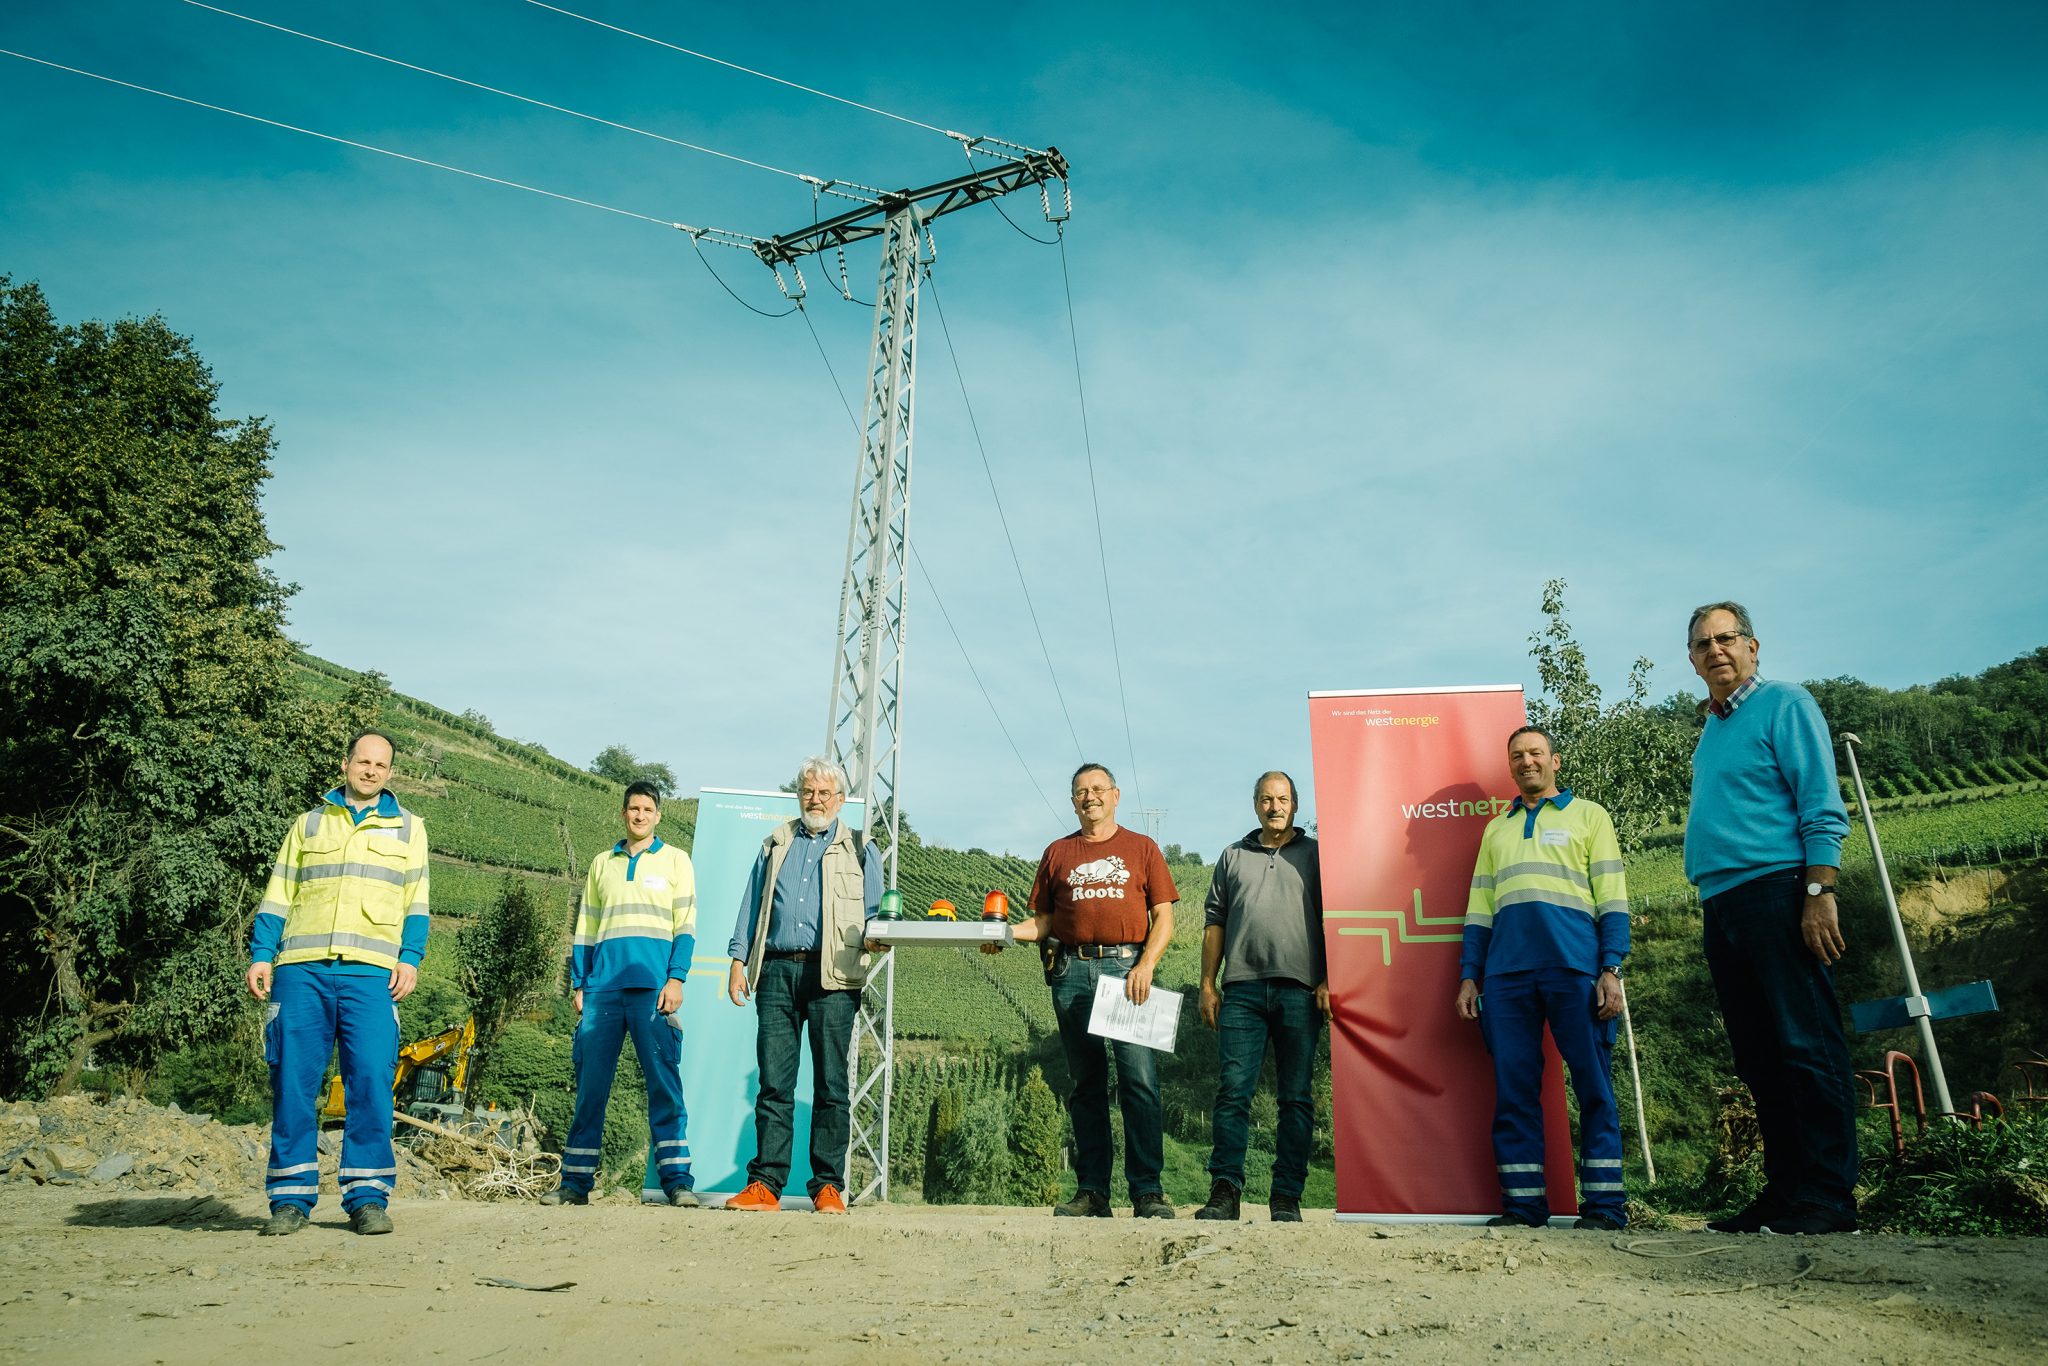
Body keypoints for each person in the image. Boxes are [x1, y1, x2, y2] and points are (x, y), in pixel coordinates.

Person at [1682, 601, 1857, 1235]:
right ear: (1693, 661)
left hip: (1779, 891)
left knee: (1806, 1042)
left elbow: (1820, 801)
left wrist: (1818, 889)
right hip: (1723, 903)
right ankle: (1786, 1192)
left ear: (1753, 647)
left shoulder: (1786, 703)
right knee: (1759, 1055)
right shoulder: (1713, 730)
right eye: (1702, 644)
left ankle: (1829, 1195)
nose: (1715, 650)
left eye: (1726, 638)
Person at [246, 730, 429, 1237]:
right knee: (293, 1083)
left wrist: (410, 958)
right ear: (345, 764)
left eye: (380, 765)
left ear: (390, 773)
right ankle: (290, 1200)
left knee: (370, 1081)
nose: (371, 771)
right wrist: (262, 954)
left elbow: (416, 899)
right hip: (301, 969)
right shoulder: (308, 823)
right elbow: (279, 891)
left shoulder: (409, 828)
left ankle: (367, 1198)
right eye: (363, 762)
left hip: (372, 973)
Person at [1456, 727, 1631, 1230]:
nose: (1527, 761)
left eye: (1536, 752)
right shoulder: (1497, 830)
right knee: (1514, 1091)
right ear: (1510, 765)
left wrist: (1611, 968)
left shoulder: (1590, 816)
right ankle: (1524, 1206)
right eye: (1517, 755)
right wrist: (1470, 976)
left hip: (1577, 969)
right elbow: (1479, 909)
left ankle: (1605, 1207)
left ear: (1555, 760)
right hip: (1506, 977)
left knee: (1594, 1087)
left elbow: (1612, 897)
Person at [1000, 763, 1179, 1218]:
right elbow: (1042, 922)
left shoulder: (1142, 848)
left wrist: (1146, 965)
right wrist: (1002, 934)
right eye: (1081, 791)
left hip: (1127, 971)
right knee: (1086, 1085)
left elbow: (1164, 916)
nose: (1090, 796)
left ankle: (1148, 1192)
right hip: (1072, 973)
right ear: (1073, 801)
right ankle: (1093, 1192)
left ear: (1115, 796)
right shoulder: (1058, 852)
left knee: (1140, 1082)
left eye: (1098, 789)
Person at [724, 757, 884, 1214]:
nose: (815, 800)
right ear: (799, 795)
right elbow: (752, 903)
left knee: (831, 1085)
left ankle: (828, 1187)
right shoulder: (776, 843)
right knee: (774, 1084)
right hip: (776, 972)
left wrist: (879, 937)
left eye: (824, 793)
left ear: (840, 799)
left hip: (834, 976)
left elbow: (876, 914)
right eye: (808, 791)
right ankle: (765, 1185)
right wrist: (738, 960)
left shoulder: (861, 847)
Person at [542, 781, 699, 1208]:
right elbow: (586, 928)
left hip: (653, 990)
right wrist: (580, 983)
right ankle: (575, 1183)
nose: (640, 815)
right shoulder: (601, 864)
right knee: (590, 1089)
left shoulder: (676, 860)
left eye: (647, 809)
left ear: (658, 816)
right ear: (623, 813)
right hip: (603, 991)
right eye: (633, 808)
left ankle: (677, 1182)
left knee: (664, 1086)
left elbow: (685, 925)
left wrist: (676, 979)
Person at [1195, 771, 1327, 1224]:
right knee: (1233, 1092)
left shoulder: (1316, 855)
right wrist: (1207, 984)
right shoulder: (1232, 856)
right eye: (1267, 799)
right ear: (1255, 805)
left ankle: (1287, 1195)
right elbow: (1214, 922)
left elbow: (1335, 918)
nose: (1275, 807)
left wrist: (1330, 978)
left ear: (1295, 805)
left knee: (1296, 1097)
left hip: (1301, 990)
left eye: (1283, 799)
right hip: (1242, 990)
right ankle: (1225, 1191)